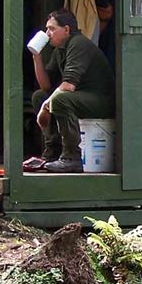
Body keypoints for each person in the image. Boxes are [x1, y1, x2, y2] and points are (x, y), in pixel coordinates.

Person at [27, 9, 114, 173]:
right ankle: (52, 153)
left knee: (60, 99)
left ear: (66, 29)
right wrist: (36, 56)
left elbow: (68, 85)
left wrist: (46, 107)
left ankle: (71, 158)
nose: (48, 33)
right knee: (39, 96)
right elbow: (46, 86)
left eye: (52, 29)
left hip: (100, 100)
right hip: (80, 98)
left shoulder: (78, 43)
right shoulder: (60, 50)